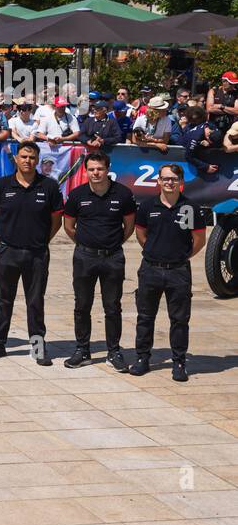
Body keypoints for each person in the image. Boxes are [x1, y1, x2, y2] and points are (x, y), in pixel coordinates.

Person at [0, 140, 65, 364]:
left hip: (37, 254)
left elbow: (56, 220)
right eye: (24, 157)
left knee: (35, 302)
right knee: (4, 300)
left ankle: (37, 348)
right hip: (8, 252)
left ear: (37, 161)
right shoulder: (2, 185)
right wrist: (6, 239)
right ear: (16, 159)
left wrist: (41, 241)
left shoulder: (49, 186)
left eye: (32, 157)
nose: (28, 161)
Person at [61, 151, 136, 370]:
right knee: (82, 306)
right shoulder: (77, 194)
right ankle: (82, 350)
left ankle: (114, 352)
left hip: (113, 258)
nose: (96, 173)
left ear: (107, 169)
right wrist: (86, 244)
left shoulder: (123, 194)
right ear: (86, 171)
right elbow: (69, 226)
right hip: (84, 257)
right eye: (91, 169)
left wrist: (112, 244)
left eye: (100, 169)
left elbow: (129, 226)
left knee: (112, 307)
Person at [131, 163, 206, 381]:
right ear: (158, 181)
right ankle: (142, 358)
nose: (169, 182)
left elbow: (199, 240)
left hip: (178, 272)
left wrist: (181, 257)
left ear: (181, 182)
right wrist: (155, 252)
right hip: (150, 270)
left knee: (179, 320)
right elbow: (141, 234)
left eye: (174, 179)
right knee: (145, 317)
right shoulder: (147, 206)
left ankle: (179, 363)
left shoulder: (191, 208)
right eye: (165, 178)